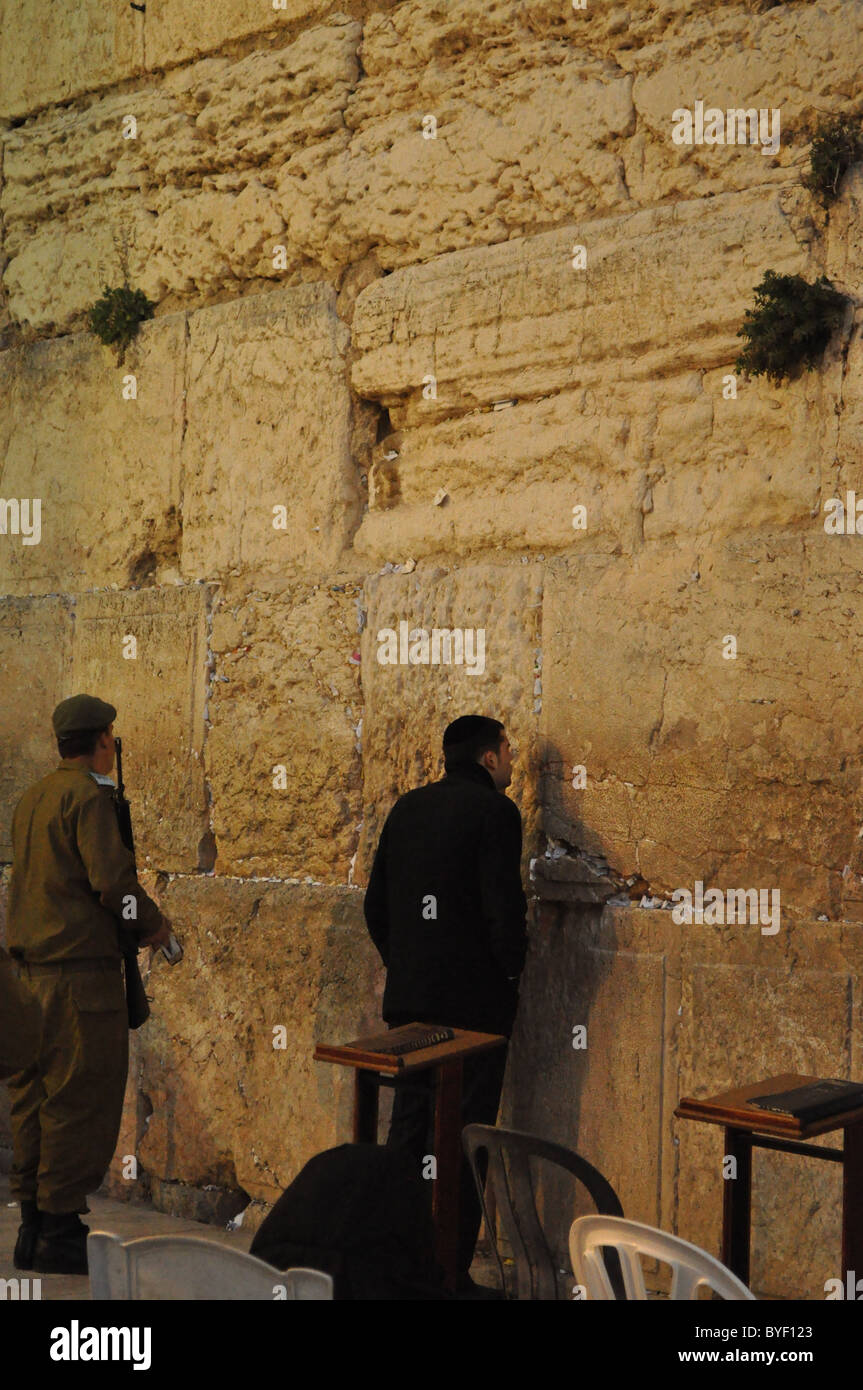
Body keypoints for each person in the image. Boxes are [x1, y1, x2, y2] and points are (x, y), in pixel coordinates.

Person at [4, 694, 172, 1275]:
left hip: (29, 980)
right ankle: (59, 1227)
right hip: (78, 982)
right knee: (80, 1099)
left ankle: (32, 1226)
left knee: (34, 1101)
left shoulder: (33, 799)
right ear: (102, 742)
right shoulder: (87, 798)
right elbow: (113, 884)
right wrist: (155, 927)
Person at [363, 714, 528, 1292]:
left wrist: (408, 967)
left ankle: (395, 1262)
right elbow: (502, 913)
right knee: (463, 1133)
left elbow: (375, 909)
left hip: (411, 1003)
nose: (512, 760)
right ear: (488, 758)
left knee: (410, 1129)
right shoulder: (496, 814)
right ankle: (447, 1271)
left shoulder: (408, 809)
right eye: (507, 750)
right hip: (474, 1012)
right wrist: (509, 974)